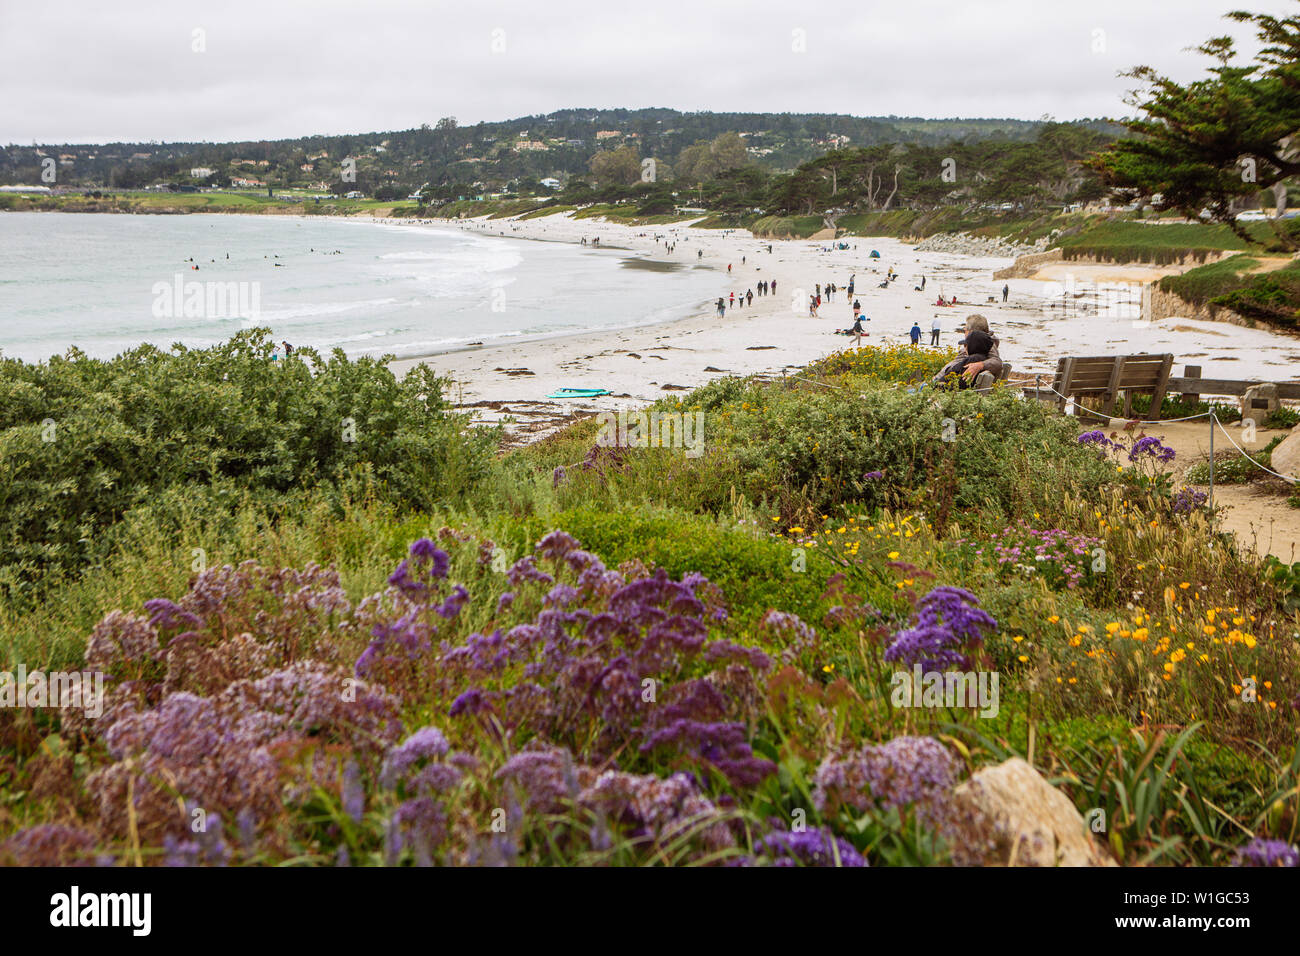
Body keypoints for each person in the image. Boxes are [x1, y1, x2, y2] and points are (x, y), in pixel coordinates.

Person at [930, 314, 1005, 388]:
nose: (964, 332)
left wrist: (980, 365)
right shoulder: (981, 345)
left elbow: (997, 361)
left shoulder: (984, 346)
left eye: (965, 329)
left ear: (971, 332)